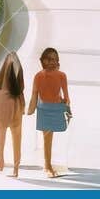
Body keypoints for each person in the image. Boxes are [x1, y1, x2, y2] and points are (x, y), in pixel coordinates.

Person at [26, 46, 71, 178]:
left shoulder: (62, 76)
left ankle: (55, 164)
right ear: (43, 60)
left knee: (61, 135)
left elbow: (66, 96)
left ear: (58, 62)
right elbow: (34, 94)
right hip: (44, 109)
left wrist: (68, 109)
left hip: (57, 108)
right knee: (47, 139)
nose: (52, 62)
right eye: (49, 59)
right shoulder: (38, 76)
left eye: (55, 59)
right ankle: (48, 166)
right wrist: (29, 110)